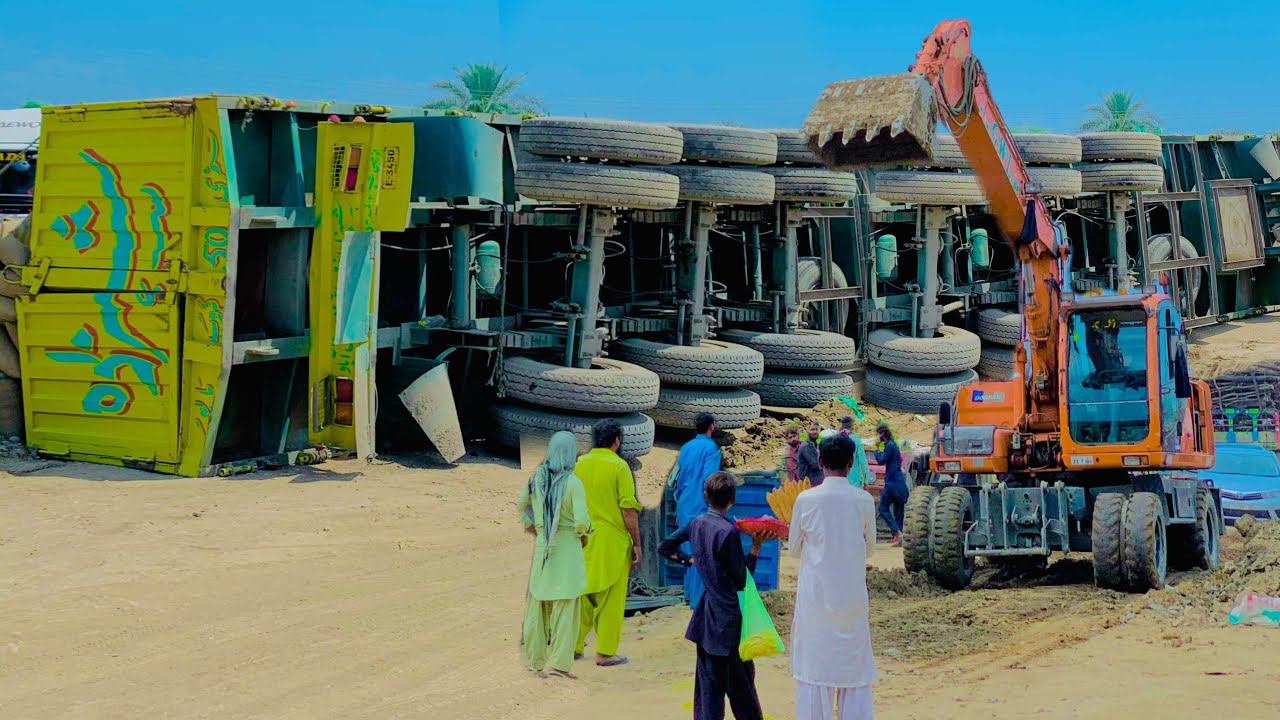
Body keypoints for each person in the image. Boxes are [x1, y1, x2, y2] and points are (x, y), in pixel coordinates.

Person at [658, 472, 776, 720]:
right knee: (742, 690)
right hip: (730, 620)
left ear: (704, 495)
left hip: (706, 618)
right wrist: (755, 548)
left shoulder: (696, 523)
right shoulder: (728, 532)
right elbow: (741, 580)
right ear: (732, 500)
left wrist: (690, 560)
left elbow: (665, 547)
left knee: (708, 692)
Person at [790, 434, 878, 720]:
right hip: (851, 597)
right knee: (853, 669)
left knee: (815, 668)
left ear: (819, 462)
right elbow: (870, 548)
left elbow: (793, 549)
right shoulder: (864, 500)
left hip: (815, 598)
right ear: (852, 464)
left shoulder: (805, 499)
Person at [517, 431, 591, 679]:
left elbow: (521, 505)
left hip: (543, 548)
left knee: (537, 606)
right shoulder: (573, 483)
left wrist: (535, 528)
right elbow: (581, 521)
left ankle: (535, 662)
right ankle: (559, 664)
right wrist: (583, 534)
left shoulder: (535, 478)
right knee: (565, 608)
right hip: (567, 548)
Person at [575, 418, 642, 667]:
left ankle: (572, 647)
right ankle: (605, 653)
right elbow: (628, 508)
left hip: (581, 538)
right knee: (611, 599)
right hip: (611, 540)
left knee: (583, 595)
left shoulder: (579, 463)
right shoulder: (619, 466)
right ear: (617, 441)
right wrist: (637, 543)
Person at [673, 412, 723, 609]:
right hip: (700, 507)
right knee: (701, 553)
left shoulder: (685, 448)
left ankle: (687, 595)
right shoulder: (711, 449)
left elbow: (676, 479)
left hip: (684, 505)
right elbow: (709, 481)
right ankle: (696, 601)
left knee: (687, 550)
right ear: (711, 426)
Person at [873, 423, 908, 547]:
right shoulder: (894, 445)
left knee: (882, 508)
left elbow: (881, 461)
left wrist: (877, 448)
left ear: (881, 434)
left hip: (892, 482)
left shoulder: (890, 446)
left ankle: (897, 533)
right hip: (899, 482)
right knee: (899, 510)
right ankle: (898, 536)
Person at [796, 420, 825, 487]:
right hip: (809, 484)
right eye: (812, 429)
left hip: (816, 483)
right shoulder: (806, 446)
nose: (815, 432)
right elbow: (816, 465)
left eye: (816, 429)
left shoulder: (816, 445)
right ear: (807, 431)